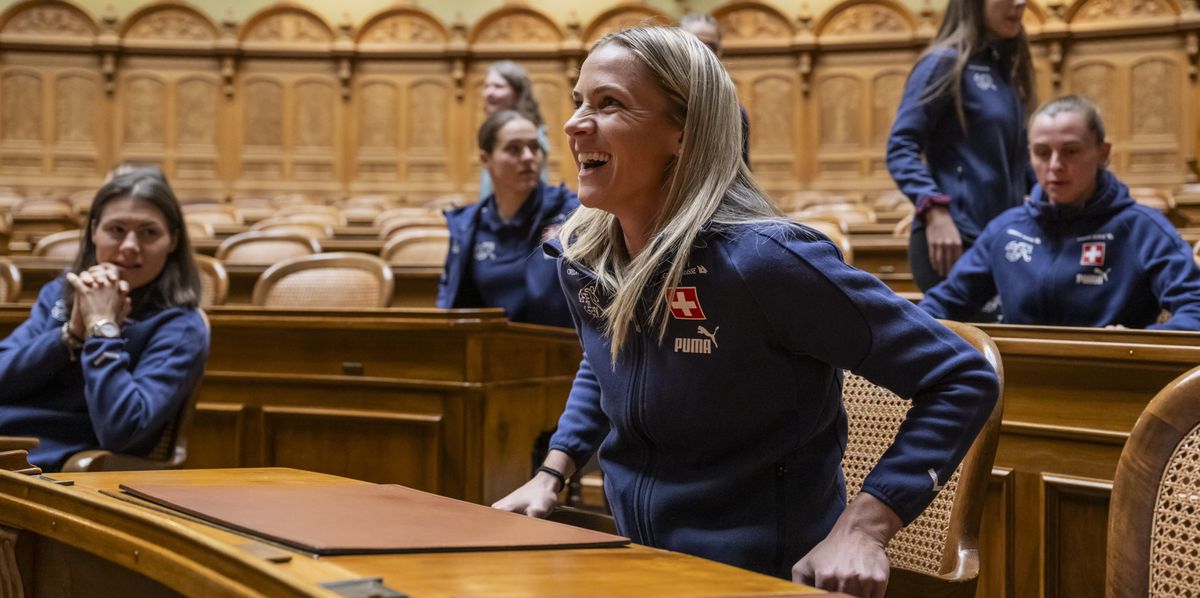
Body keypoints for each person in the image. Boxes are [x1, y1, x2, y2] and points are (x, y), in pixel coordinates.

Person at [491, 27, 1000, 596]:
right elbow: (609, 353)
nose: (575, 123)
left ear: (683, 133)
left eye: (609, 103)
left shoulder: (765, 263)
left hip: (765, 577)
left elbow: (960, 377)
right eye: (579, 101)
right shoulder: (584, 255)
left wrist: (865, 528)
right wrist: (552, 473)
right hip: (641, 564)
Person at [920, 96, 1200, 330]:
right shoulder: (1006, 230)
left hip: (1117, 382)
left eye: (1071, 151)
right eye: (1042, 153)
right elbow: (944, 304)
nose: (1055, 165)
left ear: (1102, 153)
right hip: (1019, 380)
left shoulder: (1143, 229)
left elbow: (1195, 308)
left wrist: (1138, 343)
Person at [0, 169, 209, 471]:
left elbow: (122, 431)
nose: (129, 246)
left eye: (149, 232)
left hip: (48, 467)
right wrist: (69, 337)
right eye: (116, 230)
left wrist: (102, 328)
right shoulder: (61, 293)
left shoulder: (180, 325)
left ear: (172, 241)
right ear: (94, 232)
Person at [886, 0, 1034, 292]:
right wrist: (935, 211)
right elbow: (901, 147)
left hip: (1001, 238)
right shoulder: (943, 63)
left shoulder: (1007, 71)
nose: (1021, 2)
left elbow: (1021, 161)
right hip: (951, 241)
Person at [438, 110, 579, 328]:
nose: (529, 157)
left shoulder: (572, 213)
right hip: (491, 351)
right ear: (486, 159)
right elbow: (450, 303)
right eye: (514, 149)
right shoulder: (468, 226)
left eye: (534, 147)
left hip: (560, 351)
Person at [677, 12, 751, 166]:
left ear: (720, 52)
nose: (704, 53)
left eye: (711, 47)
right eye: (694, 44)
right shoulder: (657, 103)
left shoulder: (736, 113)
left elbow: (742, 169)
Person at [479, 61, 550, 200]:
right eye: (486, 86)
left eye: (498, 86)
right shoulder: (492, 131)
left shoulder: (534, 135)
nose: (489, 93)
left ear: (518, 94)